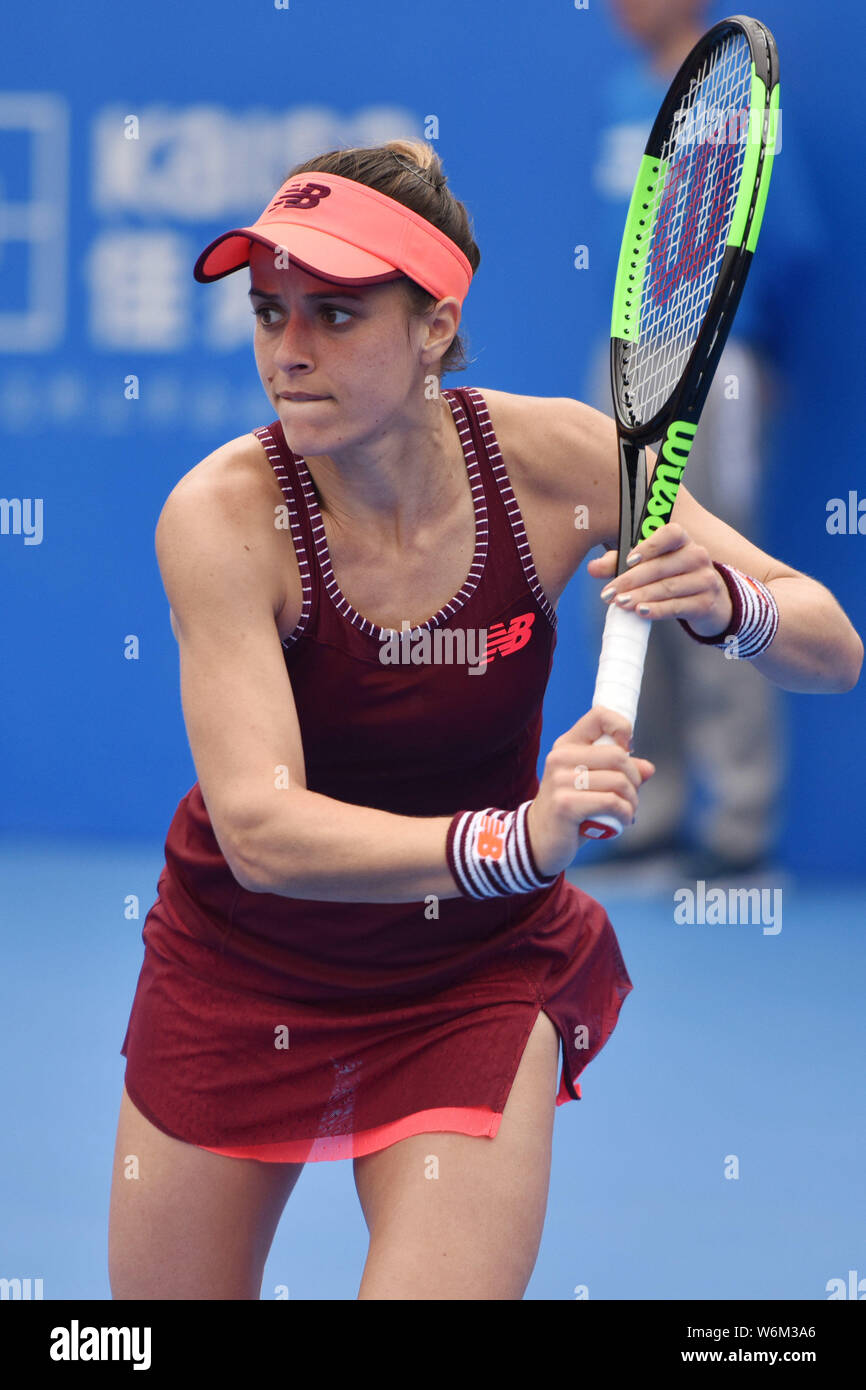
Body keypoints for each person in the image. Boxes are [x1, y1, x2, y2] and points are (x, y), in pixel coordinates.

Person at [108, 138, 861, 1301]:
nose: (288, 353)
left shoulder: (553, 458)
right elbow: (261, 833)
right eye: (268, 313)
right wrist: (516, 840)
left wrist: (730, 603)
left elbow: (832, 650)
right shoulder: (217, 518)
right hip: (236, 973)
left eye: (336, 316)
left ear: (435, 327)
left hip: (470, 977)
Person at [584, 0, 823, 874]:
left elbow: (785, 240)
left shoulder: (741, 99)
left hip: (712, 362)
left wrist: (749, 349)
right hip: (622, 356)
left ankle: (740, 823)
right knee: (627, 580)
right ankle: (652, 808)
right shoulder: (624, 92)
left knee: (710, 574)